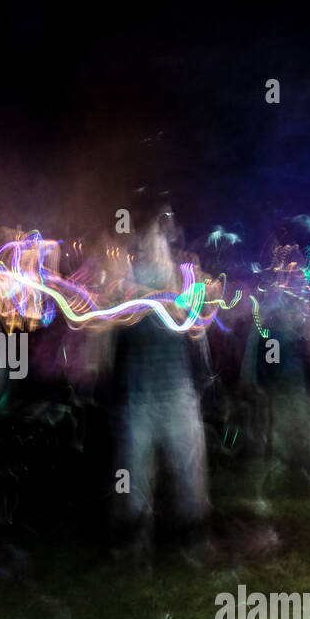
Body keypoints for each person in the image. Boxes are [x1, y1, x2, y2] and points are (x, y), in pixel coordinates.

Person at [112, 205, 211, 568]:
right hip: (141, 395)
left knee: (190, 472)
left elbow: (198, 325)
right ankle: (136, 544)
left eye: (164, 237)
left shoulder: (185, 278)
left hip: (177, 392)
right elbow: (118, 309)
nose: (158, 243)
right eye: (153, 235)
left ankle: (195, 541)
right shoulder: (132, 278)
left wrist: (189, 301)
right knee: (135, 475)